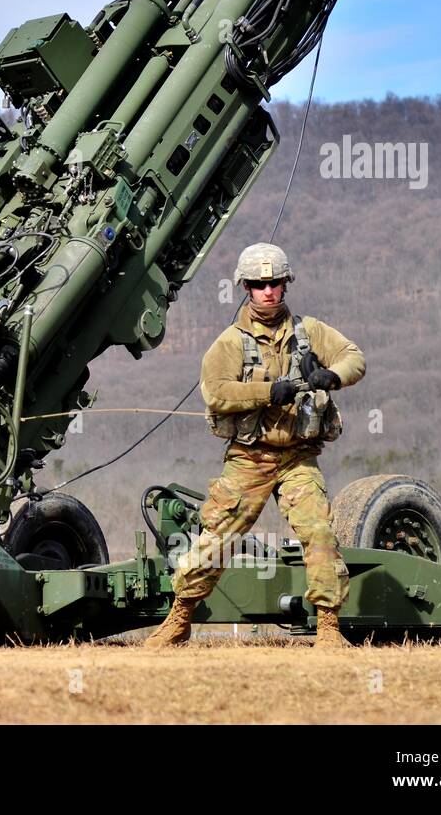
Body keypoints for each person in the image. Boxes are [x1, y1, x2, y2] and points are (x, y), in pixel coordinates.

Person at [145, 243, 364, 650]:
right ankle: (180, 618)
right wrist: (267, 392)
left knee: (318, 531)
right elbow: (216, 392)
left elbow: (354, 357)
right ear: (245, 287)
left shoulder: (309, 331)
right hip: (250, 458)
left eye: (275, 282)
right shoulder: (231, 342)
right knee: (217, 538)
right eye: (260, 284)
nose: (268, 291)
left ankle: (329, 627)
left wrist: (330, 377)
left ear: (286, 284)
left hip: (298, 456)